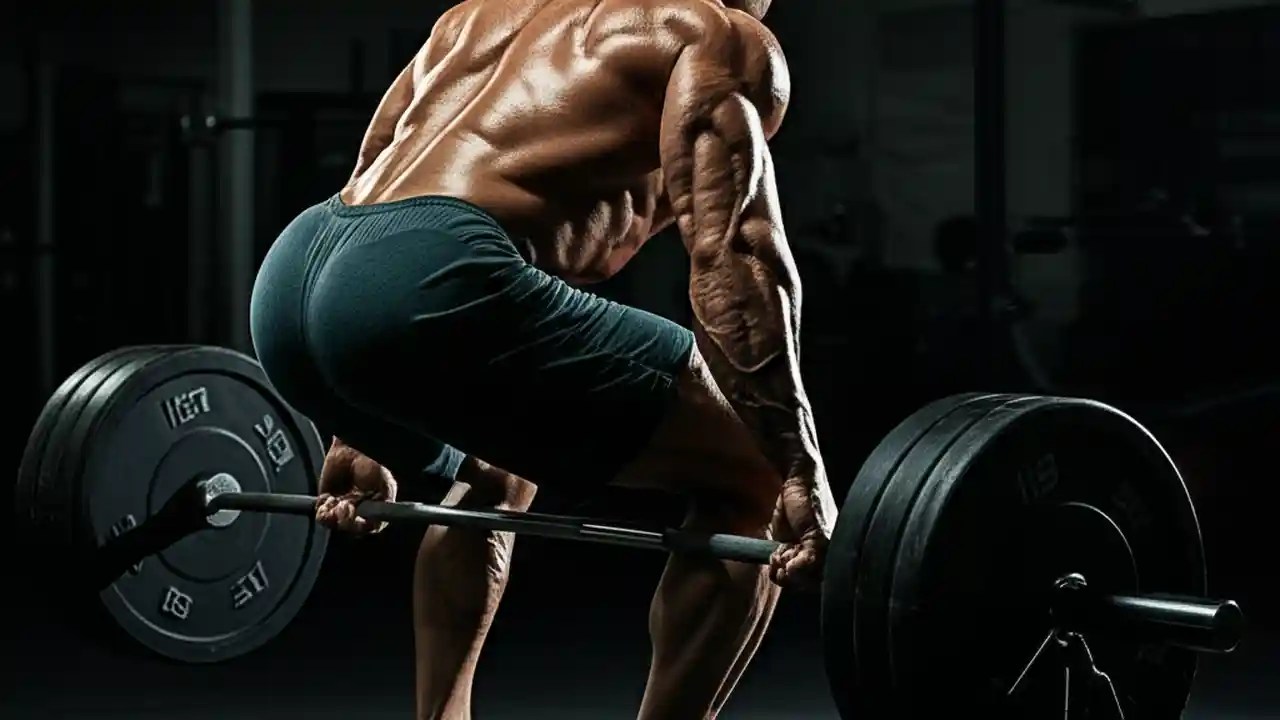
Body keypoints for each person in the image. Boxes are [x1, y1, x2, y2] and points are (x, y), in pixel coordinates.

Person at [248, 0, 838, 717]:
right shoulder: (715, 37)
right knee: (751, 469)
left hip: (299, 272)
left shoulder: (478, 14)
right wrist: (797, 463)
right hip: (427, 278)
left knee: (497, 471)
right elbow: (735, 254)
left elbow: (380, 168)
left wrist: (358, 422)